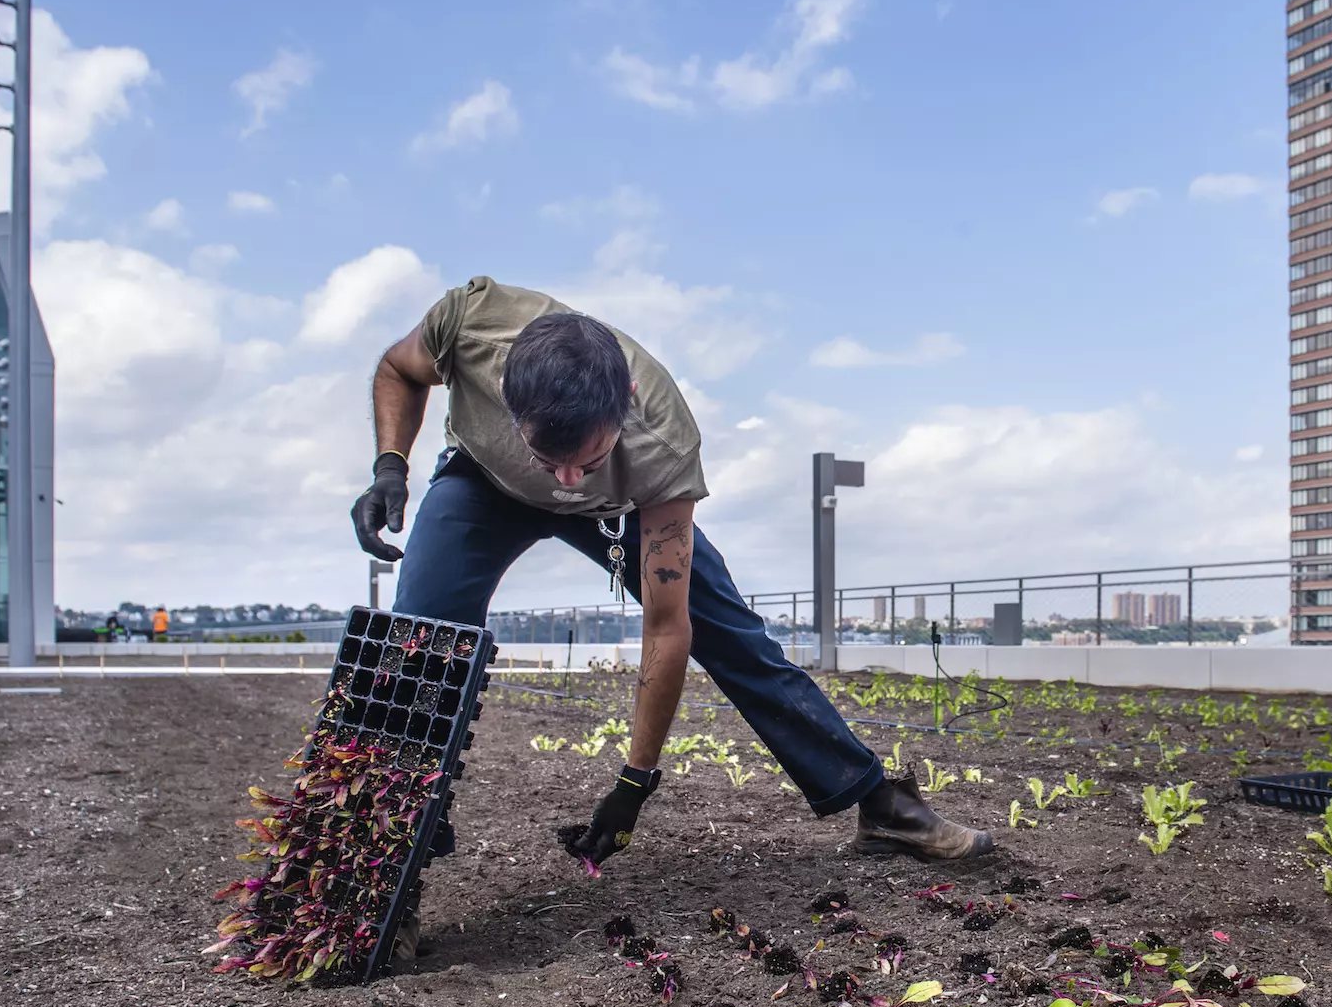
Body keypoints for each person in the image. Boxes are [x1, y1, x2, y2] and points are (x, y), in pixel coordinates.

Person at [352, 278, 991, 958]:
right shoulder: (471, 323)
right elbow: (398, 366)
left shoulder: (659, 438)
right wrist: (391, 463)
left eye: (587, 460)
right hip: (485, 481)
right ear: (503, 391)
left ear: (623, 405)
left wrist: (634, 783)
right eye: (550, 460)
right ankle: (390, 869)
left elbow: (665, 627)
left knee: (733, 633)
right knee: (419, 646)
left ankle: (879, 804)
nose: (565, 481)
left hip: (622, 507)